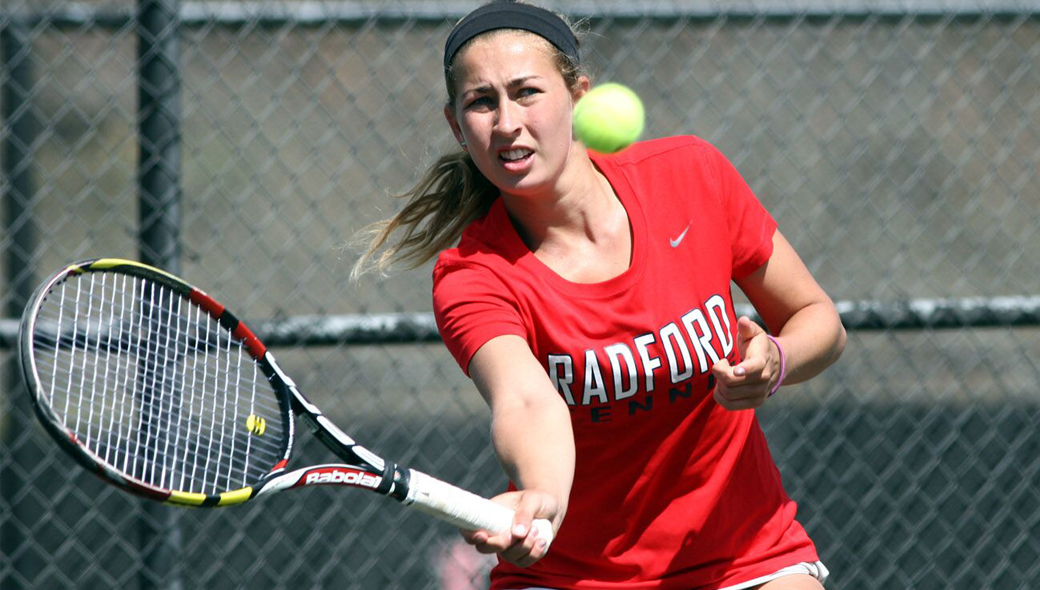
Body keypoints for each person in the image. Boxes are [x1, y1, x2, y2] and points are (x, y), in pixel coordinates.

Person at [353, 1, 847, 588]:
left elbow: (818, 319)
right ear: (457, 125)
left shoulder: (691, 174)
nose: (507, 122)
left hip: (744, 556)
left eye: (527, 92)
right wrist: (542, 497)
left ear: (578, 95)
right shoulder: (472, 276)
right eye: (482, 102)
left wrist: (777, 361)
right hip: (570, 576)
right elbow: (526, 401)